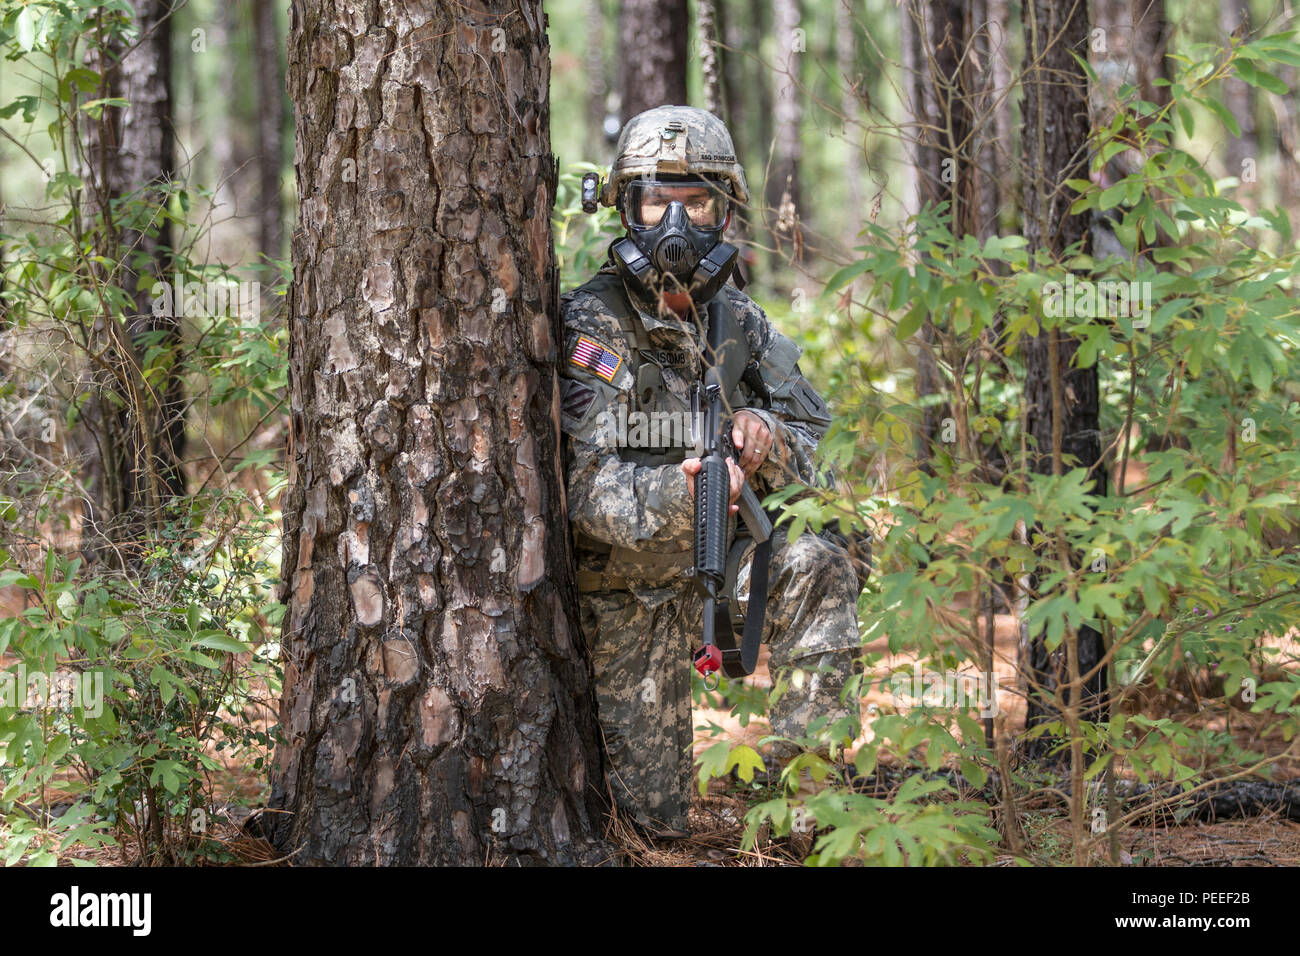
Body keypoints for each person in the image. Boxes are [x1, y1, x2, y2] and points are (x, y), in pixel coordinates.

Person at [558, 106, 864, 838]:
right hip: (628, 591)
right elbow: (579, 490)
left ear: (722, 211)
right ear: (625, 207)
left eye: (695, 202)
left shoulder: (738, 320)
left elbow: (827, 447)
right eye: (656, 200)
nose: (676, 223)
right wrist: (682, 489)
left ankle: (805, 820)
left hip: (725, 562)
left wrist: (770, 439)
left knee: (824, 558)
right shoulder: (593, 326)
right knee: (649, 828)